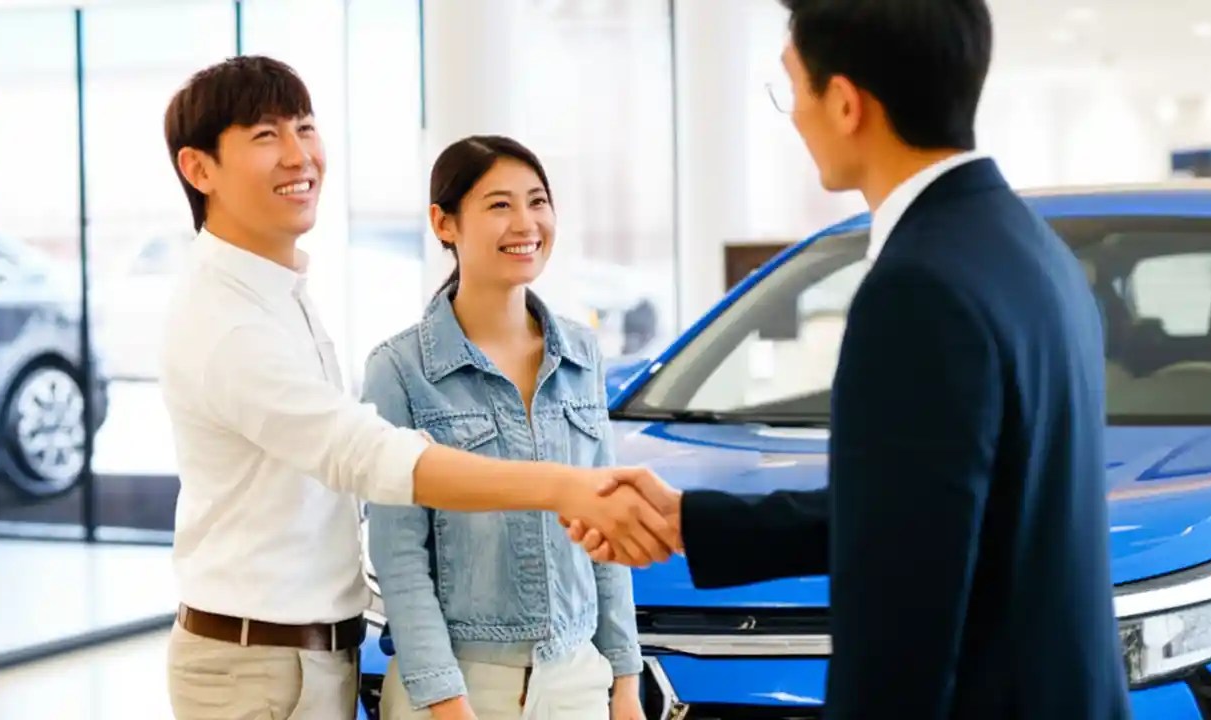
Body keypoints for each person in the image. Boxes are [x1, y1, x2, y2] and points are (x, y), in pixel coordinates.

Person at [569, 0, 1131, 718]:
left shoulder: (919, 286)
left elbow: (905, 603)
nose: (793, 115)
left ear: (844, 103)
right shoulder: (1030, 249)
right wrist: (692, 521)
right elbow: (921, 507)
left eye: (793, 88)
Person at [159, 56, 673, 719]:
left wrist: (623, 676)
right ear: (200, 169)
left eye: (305, 128)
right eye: (265, 136)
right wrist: (564, 486)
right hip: (262, 665)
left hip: (317, 657)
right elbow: (372, 465)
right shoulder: (229, 322)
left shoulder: (279, 293)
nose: (298, 154)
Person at [363, 135, 645, 720]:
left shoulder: (581, 355)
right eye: (499, 205)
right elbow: (399, 557)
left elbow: (604, 534)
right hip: (461, 685)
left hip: (575, 682)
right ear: (445, 223)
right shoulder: (399, 369)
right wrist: (447, 700)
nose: (526, 223)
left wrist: (623, 682)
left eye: (537, 201)